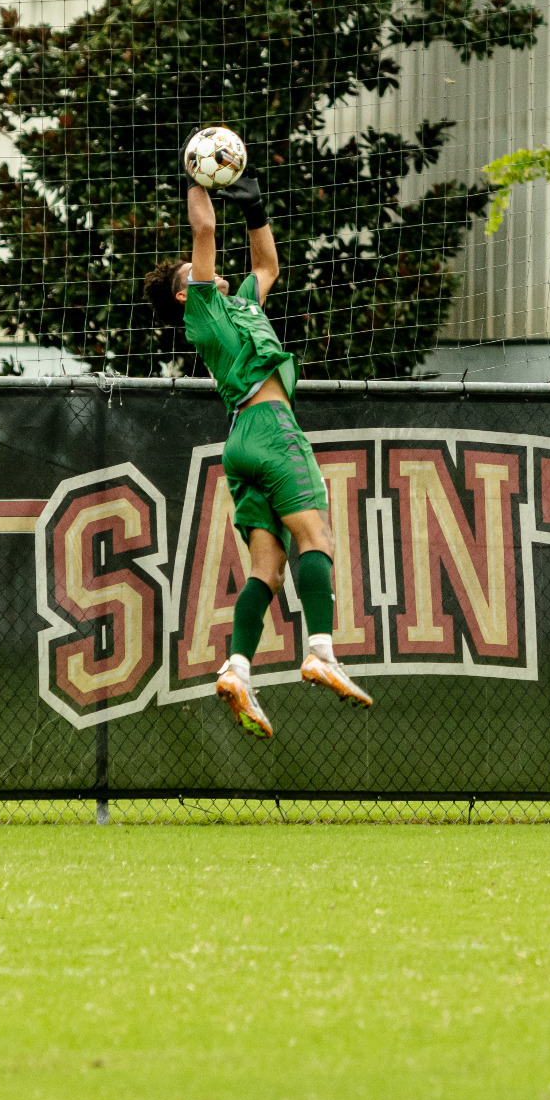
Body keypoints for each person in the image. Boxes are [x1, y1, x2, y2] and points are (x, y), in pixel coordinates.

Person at [140, 156, 372, 739]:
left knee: (266, 571)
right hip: (271, 428)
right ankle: (321, 650)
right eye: (192, 274)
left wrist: (253, 204)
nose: (206, 271)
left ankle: (237, 668)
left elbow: (267, 264)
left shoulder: (240, 303)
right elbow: (202, 233)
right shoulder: (202, 311)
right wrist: (196, 176)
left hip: (242, 441)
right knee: (316, 537)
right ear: (183, 295)